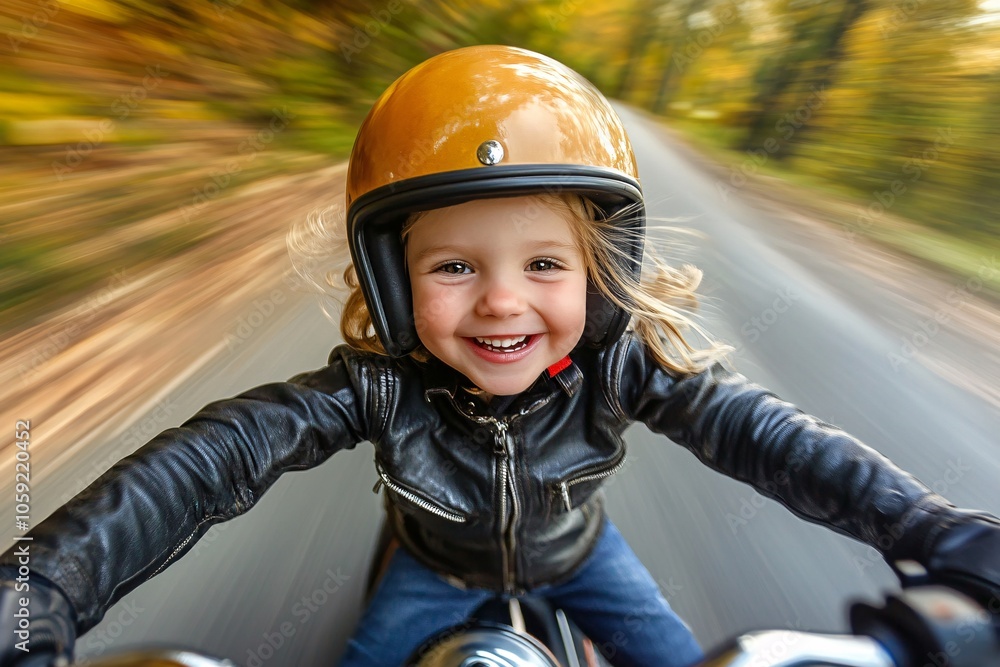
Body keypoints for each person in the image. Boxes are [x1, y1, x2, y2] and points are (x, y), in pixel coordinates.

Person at [2, 45, 999, 667]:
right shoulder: (376, 390)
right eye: (451, 266)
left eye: (542, 262)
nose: (502, 301)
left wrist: (929, 526)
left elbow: (765, 436)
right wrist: (43, 583)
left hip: (584, 557)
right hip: (429, 568)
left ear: (600, 271)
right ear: (392, 285)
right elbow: (215, 458)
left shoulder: (622, 366)